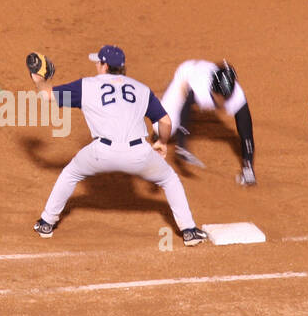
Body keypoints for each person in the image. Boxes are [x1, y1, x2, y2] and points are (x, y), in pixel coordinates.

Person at [29, 45, 208, 246]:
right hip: (139, 154)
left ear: (104, 66)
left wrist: (39, 79)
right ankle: (189, 230)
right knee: (169, 179)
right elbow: (165, 121)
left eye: (99, 62)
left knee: (71, 173)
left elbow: (47, 95)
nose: (97, 65)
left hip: (101, 153)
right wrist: (161, 142)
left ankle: (46, 222)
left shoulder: (86, 85)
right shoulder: (141, 89)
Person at [156, 59, 256, 185]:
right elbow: (185, 111)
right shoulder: (200, 87)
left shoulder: (236, 97)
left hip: (202, 74)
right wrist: (182, 145)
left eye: (225, 97)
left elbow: (246, 134)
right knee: (163, 129)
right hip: (187, 76)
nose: (222, 100)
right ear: (213, 90)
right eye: (219, 95)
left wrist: (248, 168)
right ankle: (165, 98)